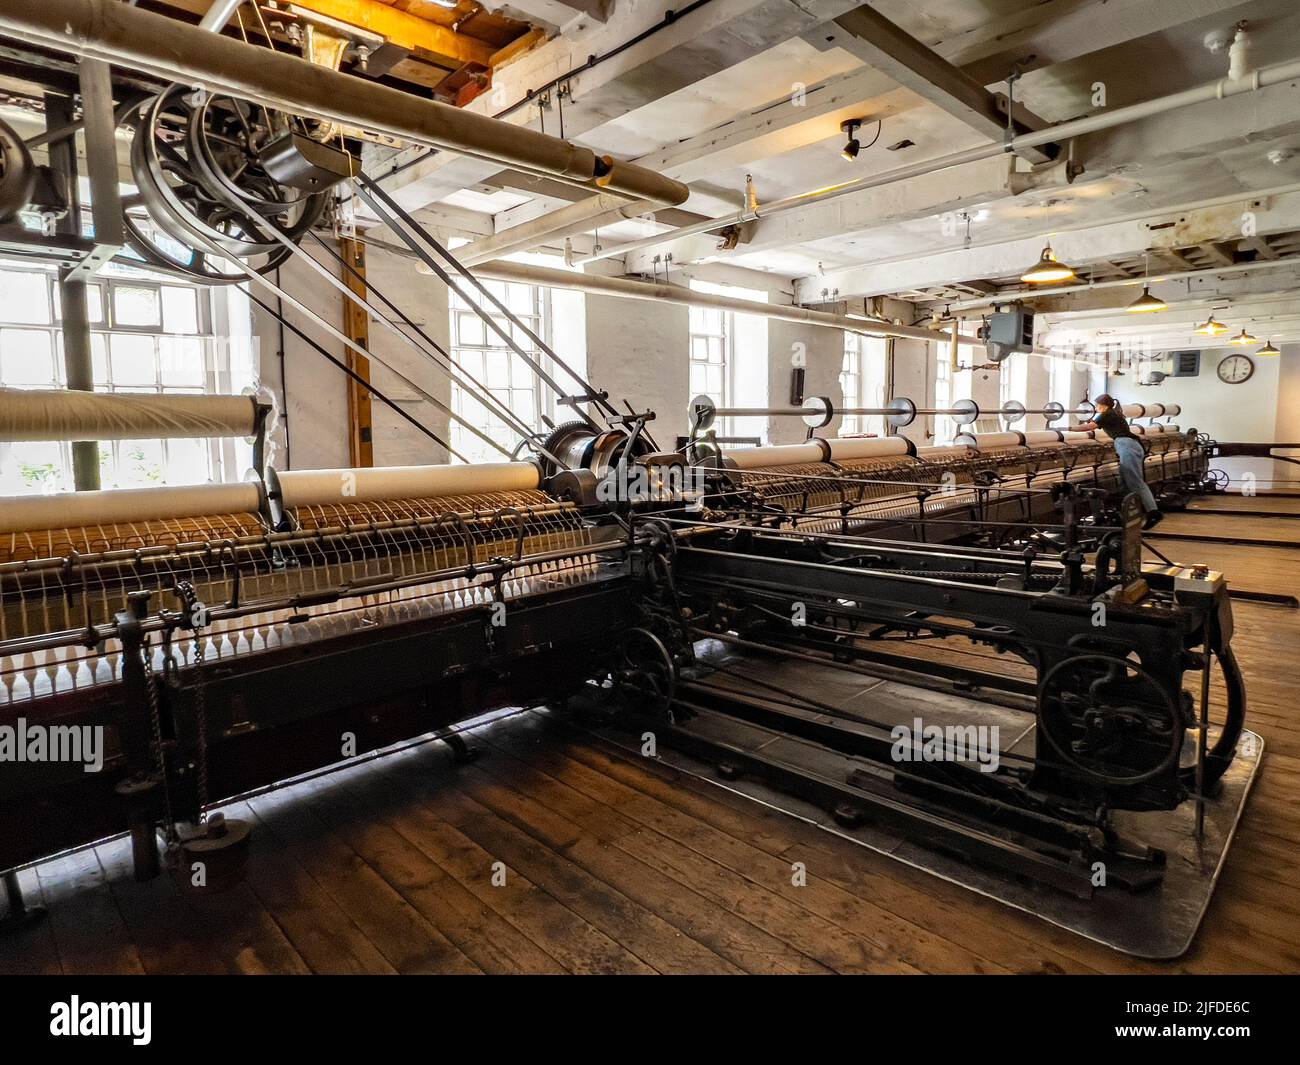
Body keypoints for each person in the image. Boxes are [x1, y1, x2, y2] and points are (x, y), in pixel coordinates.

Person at [1077, 394, 1163, 529]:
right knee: (1125, 483)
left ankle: (1153, 512)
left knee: (1135, 481)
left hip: (1126, 445)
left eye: (1097, 405)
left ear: (1102, 405)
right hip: (1129, 445)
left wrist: (1064, 429)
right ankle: (1130, 515)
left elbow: (1089, 427)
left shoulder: (1107, 414)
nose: (1096, 408)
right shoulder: (1115, 413)